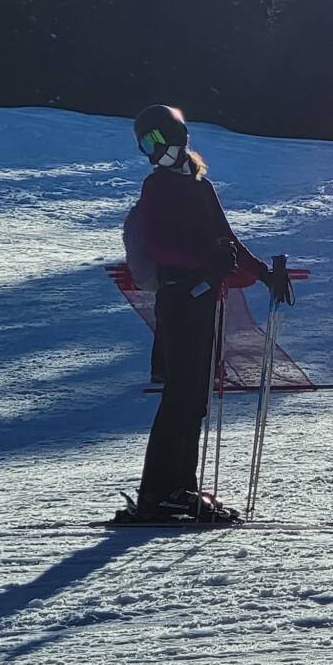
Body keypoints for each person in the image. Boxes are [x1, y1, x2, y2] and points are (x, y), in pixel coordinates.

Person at [120, 105, 292, 523]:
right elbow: (160, 245)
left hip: (203, 299)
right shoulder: (157, 186)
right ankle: (158, 492)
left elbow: (225, 238)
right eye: (144, 144)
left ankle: (180, 488)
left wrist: (263, 274)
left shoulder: (200, 186)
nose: (151, 151)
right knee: (181, 394)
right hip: (180, 298)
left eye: (156, 140)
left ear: (178, 136)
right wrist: (202, 265)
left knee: (195, 397)